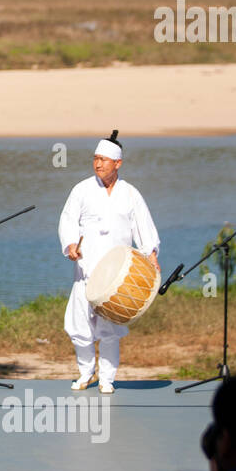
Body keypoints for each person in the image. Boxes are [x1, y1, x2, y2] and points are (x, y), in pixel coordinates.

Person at [57, 129, 160, 394]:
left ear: (118, 163)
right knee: (79, 327)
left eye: (104, 159)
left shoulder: (130, 193)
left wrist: (151, 254)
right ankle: (85, 373)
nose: (98, 163)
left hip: (118, 275)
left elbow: (143, 227)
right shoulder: (81, 189)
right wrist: (70, 245)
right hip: (85, 270)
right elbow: (67, 221)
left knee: (110, 330)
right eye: (95, 158)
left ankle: (107, 378)